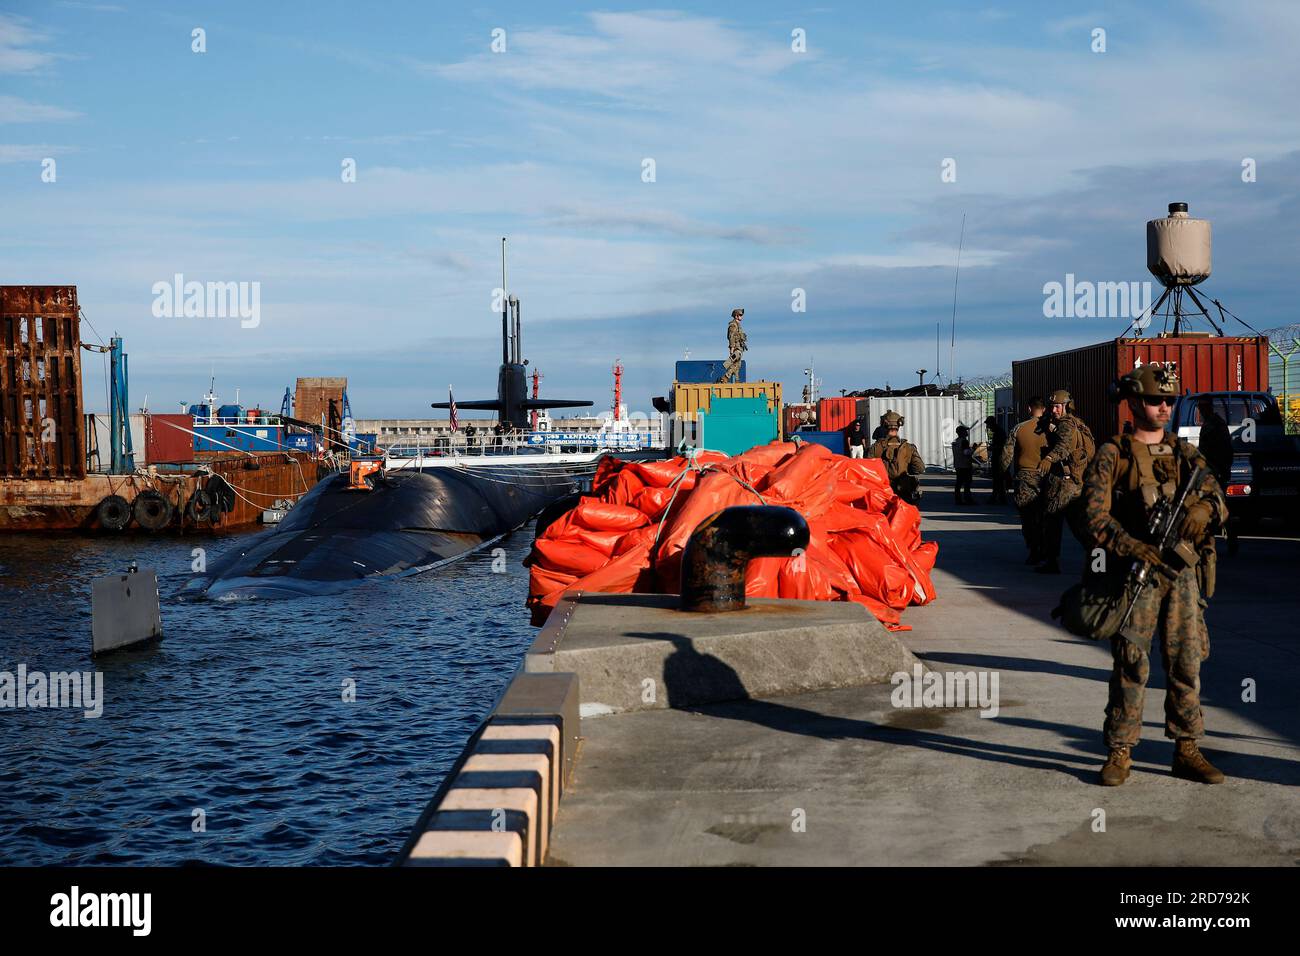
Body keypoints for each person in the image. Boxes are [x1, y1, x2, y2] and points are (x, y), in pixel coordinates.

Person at [1081, 365, 1227, 787]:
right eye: (1154, 400)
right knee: (1131, 664)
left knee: (1186, 662)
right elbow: (1092, 517)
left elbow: (1217, 496)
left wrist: (1204, 510)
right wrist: (1131, 546)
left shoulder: (1185, 454)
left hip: (1180, 575)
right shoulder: (1115, 452)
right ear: (1133, 401)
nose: (1163, 407)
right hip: (1136, 575)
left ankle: (1187, 748)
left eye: (1169, 400)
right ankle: (1120, 750)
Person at [1035, 389, 1094, 574]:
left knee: (1052, 520)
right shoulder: (1077, 423)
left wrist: (1049, 458)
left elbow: (1063, 447)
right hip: (1076, 482)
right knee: (1079, 525)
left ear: (1067, 406)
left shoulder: (1066, 424)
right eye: (1052, 406)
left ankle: (1052, 562)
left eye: (1058, 407)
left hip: (1064, 482)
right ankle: (1099, 561)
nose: (1054, 410)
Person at [1001, 397, 1048, 564]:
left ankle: (1034, 549)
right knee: (1046, 517)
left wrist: (1004, 475)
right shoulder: (1051, 428)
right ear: (1044, 409)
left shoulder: (1018, 429)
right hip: (1047, 478)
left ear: (1029, 409)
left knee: (1028, 517)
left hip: (1025, 478)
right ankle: (1047, 550)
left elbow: (1006, 457)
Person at [1195, 397, 1236, 554]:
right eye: (1200, 408)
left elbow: (1225, 450)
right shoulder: (1210, 423)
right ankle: (1210, 541)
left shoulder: (1216, 424)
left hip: (1215, 471)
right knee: (1211, 506)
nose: (1201, 411)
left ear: (1208, 408)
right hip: (1209, 471)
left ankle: (1230, 540)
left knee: (1220, 506)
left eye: (1203, 408)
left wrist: (1222, 470)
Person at [867, 409, 925, 503]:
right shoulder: (908, 447)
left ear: (884, 425)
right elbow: (920, 468)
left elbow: (867, 470)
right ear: (899, 426)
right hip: (904, 492)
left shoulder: (875, 448)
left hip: (882, 493)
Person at [720, 308, 748, 383]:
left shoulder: (738, 325)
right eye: (740, 315)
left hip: (739, 346)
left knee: (738, 365)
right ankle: (725, 377)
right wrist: (732, 348)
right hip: (735, 347)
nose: (741, 316)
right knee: (735, 362)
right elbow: (731, 337)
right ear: (736, 316)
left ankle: (737, 379)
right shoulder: (733, 325)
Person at [985, 415, 1008, 504]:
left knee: (998, 479)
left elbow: (1002, 446)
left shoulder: (999, 432)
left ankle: (998, 497)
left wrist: (992, 448)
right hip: (998, 458)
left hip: (1000, 459)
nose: (988, 427)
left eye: (988, 425)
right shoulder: (998, 432)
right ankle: (998, 497)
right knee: (998, 479)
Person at [951, 425, 975, 504]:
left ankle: (958, 499)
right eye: (965, 431)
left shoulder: (955, 442)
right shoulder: (964, 441)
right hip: (965, 465)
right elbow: (966, 452)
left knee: (958, 483)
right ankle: (968, 499)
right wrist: (973, 449)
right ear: (961, 432)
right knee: (967, 483)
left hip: (958, 465)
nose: (966, 432)